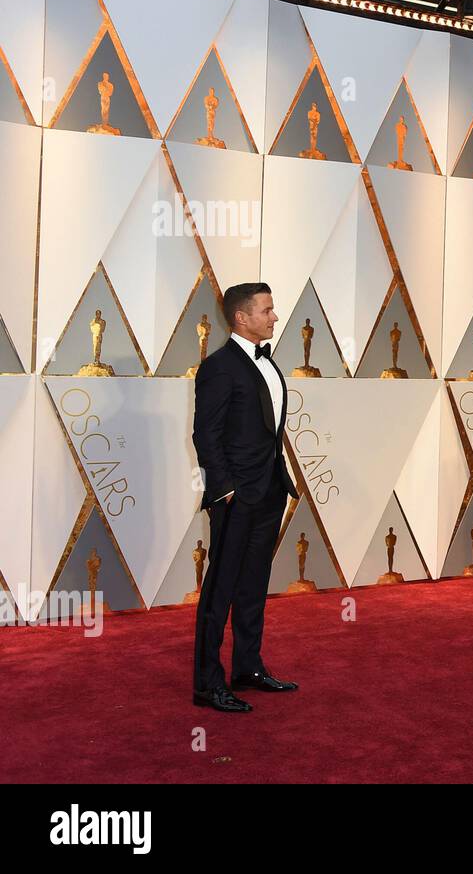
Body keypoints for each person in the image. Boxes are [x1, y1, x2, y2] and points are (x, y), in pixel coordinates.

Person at [191, 283, 301, 712]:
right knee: (220, 590)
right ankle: (207, 683)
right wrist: (226, 491)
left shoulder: (266, 362)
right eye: (268, 310)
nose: (274, 317)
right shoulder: (219, 367)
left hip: (270, 491)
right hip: (237, 497)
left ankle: (248, 667)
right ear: (242, 317)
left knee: (254, 585)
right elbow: (206, 434)